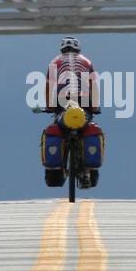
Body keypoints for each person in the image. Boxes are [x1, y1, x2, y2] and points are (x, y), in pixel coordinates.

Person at [40, 36, 103, 189]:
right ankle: (87, 172)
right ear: (78, 48)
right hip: (85, 102)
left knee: (60, 129)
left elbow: (49, 86)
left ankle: (57, 167)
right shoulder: (87, 62)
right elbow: (93, 85)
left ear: (62, 49)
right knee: (86, 127)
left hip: (63, 102)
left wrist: (49, 105)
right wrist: (95, 107)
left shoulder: (55, 62)